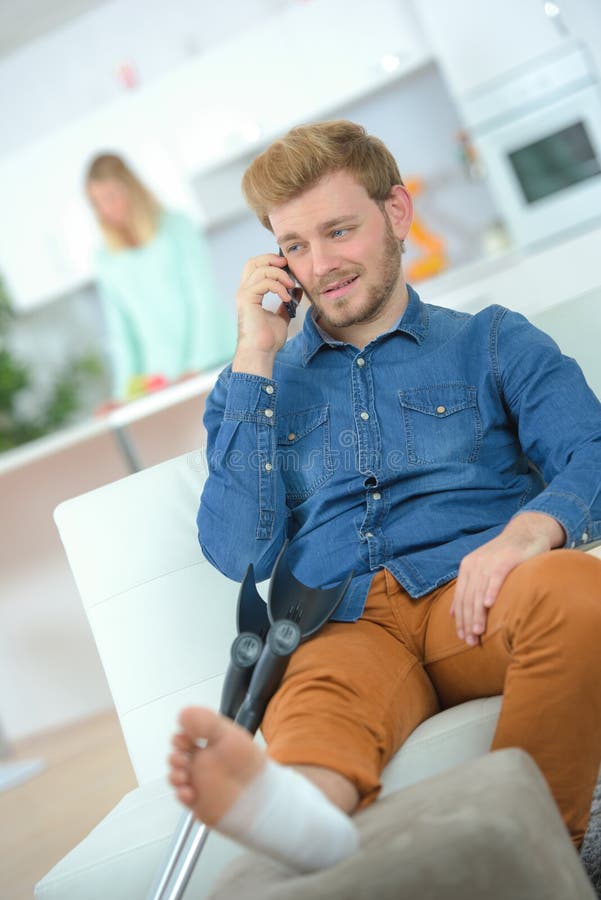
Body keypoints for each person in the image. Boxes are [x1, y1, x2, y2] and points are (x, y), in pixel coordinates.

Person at [168, 120, 601, 874]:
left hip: (476, 598)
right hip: (337, 621)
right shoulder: (254, 386)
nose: (321, 266)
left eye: (339, 231)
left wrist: (529, 532)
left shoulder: (491, 341)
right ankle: (306, 818)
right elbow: (239, 552)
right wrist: (253, 357)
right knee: (312, 704)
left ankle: (530, 865)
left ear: (396, 213)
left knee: (579, 593)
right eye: (295, 246)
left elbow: (589, 450)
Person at [85, 153, 235, 403]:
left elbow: (202, 298)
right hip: (162, 383)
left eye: (110, 197)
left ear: (130, 189)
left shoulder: (177, 227)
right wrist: (122, 396)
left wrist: (197, 365)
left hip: (214, 362)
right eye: (97, 202)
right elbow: (122, 332)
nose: (106, 210)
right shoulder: (106, 259)